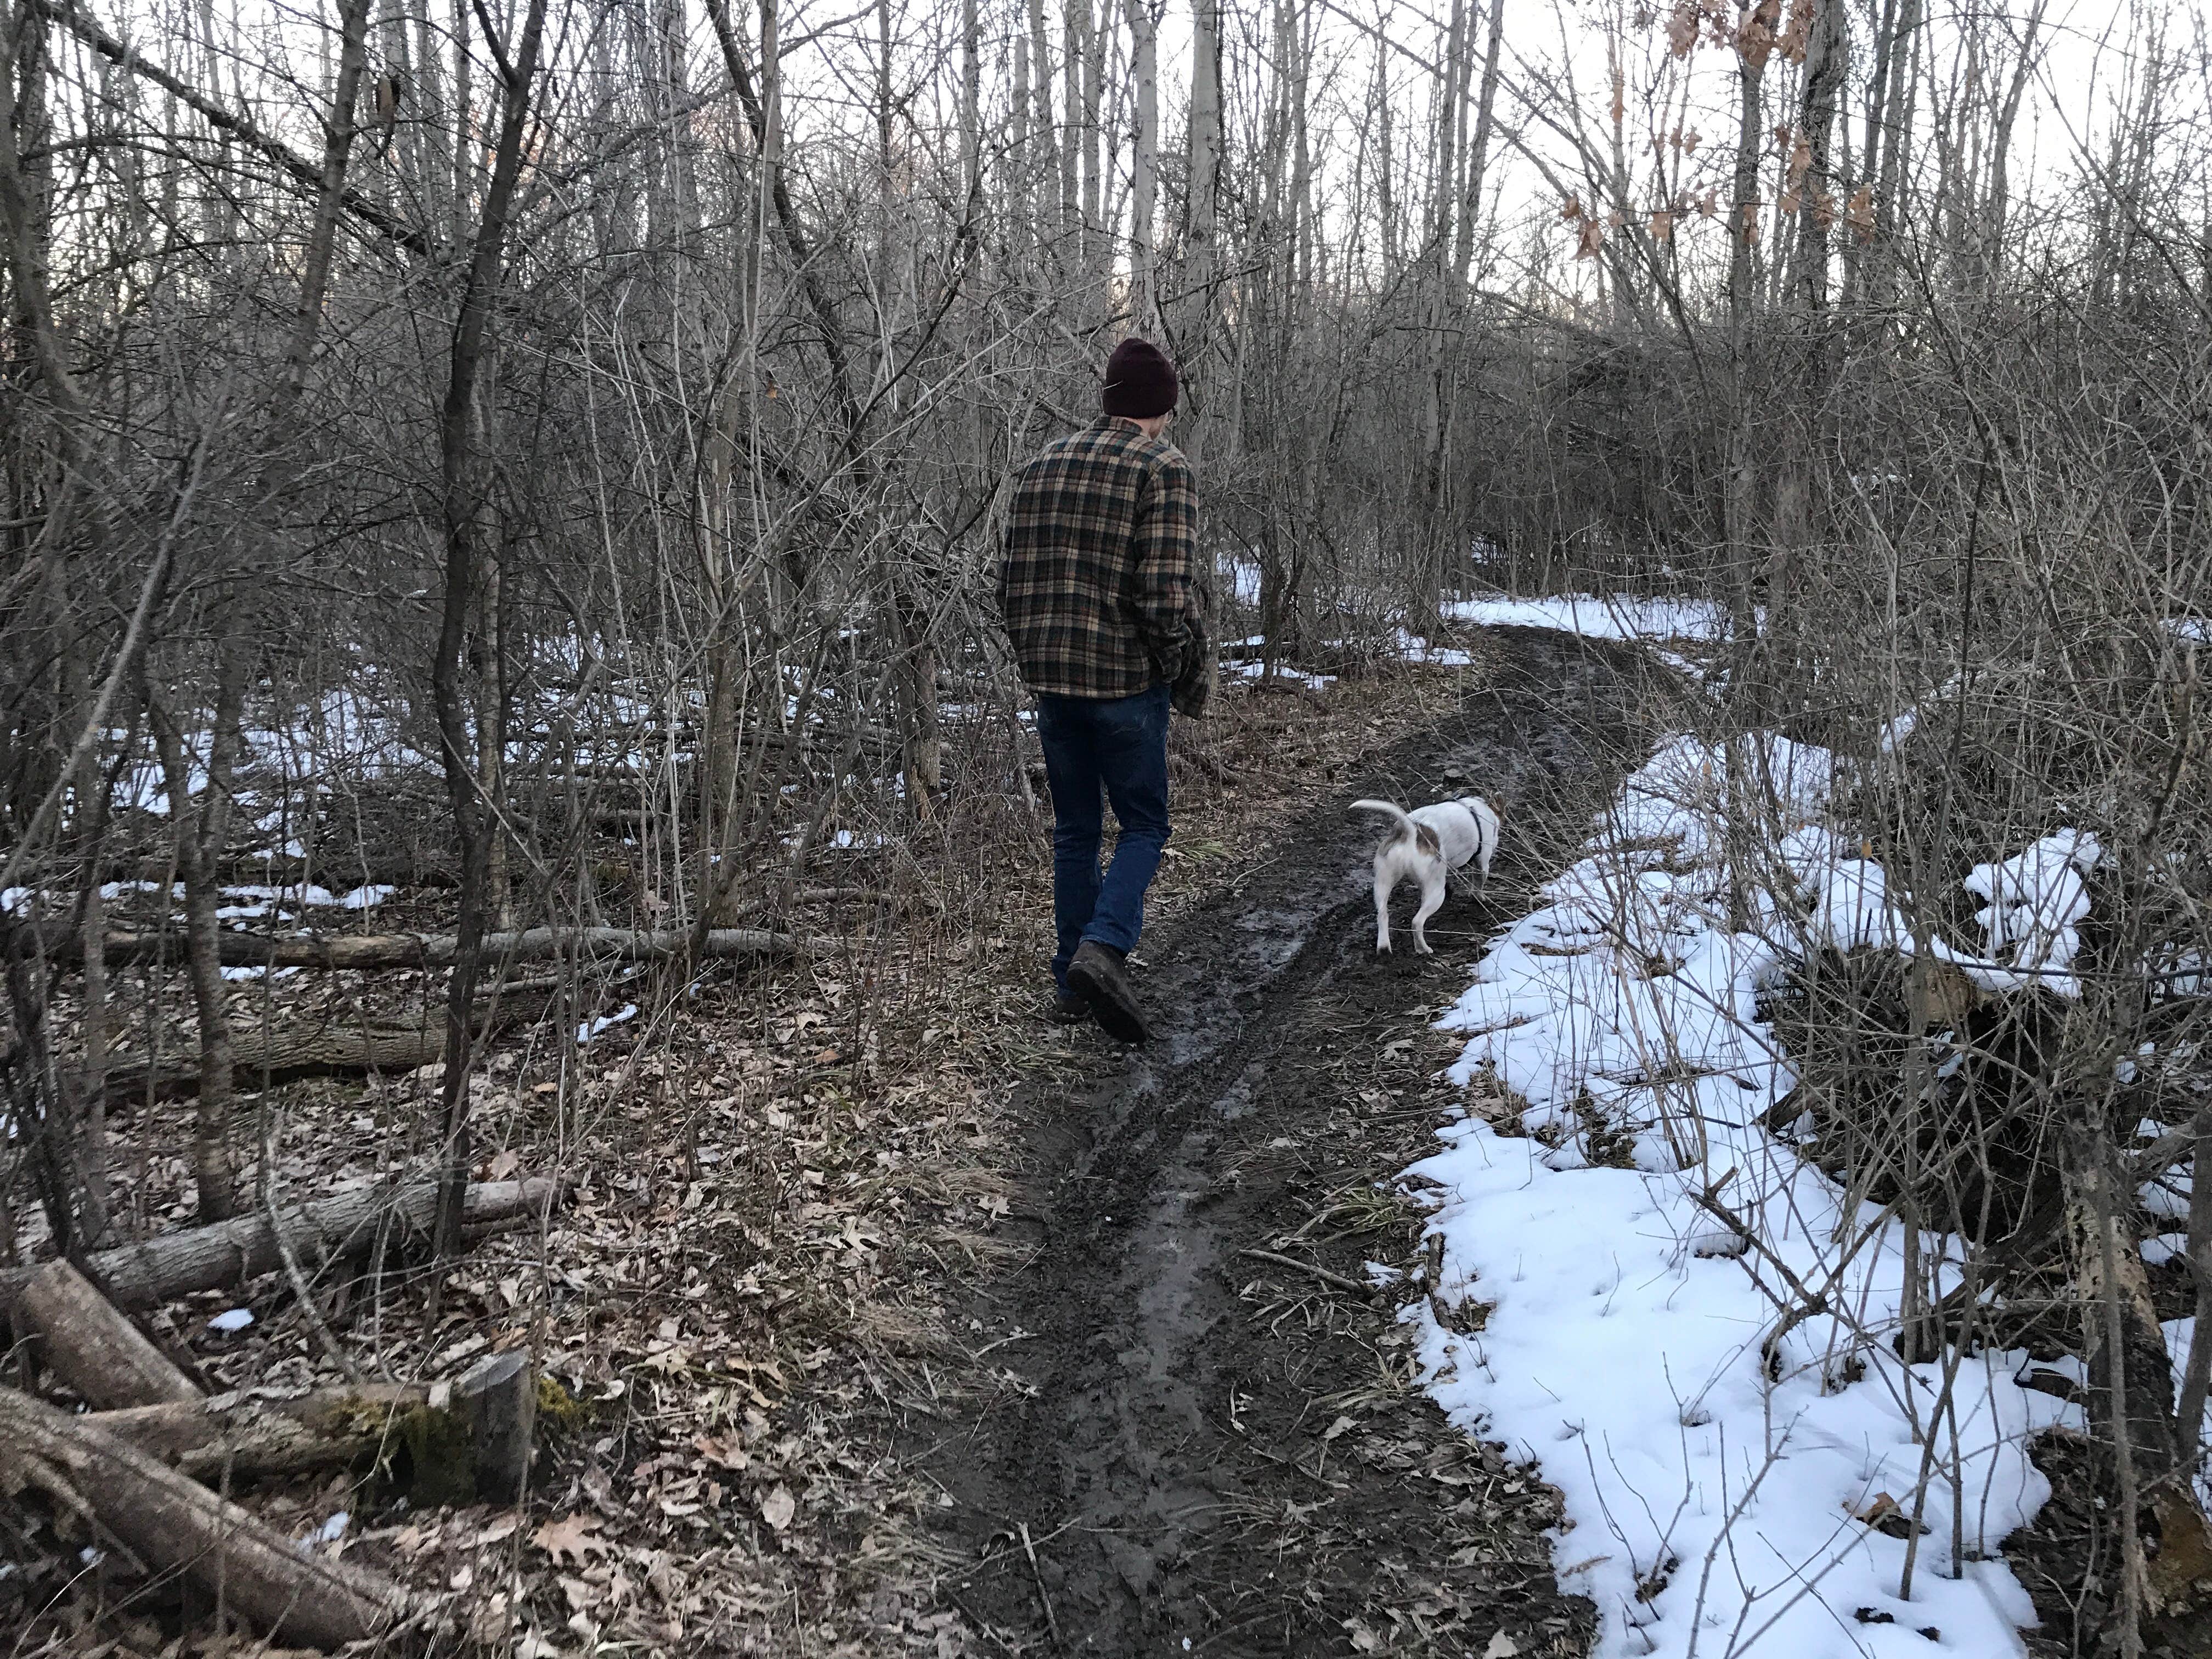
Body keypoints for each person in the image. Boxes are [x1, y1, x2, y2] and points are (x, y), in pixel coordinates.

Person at [996, 337, 1211, 1043]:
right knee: (1146, 825)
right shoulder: (1164, 469)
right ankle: (1105, 946)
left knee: (1076, 831)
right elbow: (1165, 596)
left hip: (1053, 683)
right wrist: (1173, 666)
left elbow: (1010, 585)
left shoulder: (1040, 464)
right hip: (1125, 683)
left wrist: (1035, 657)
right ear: (1163, 408)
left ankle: (1071, 979)